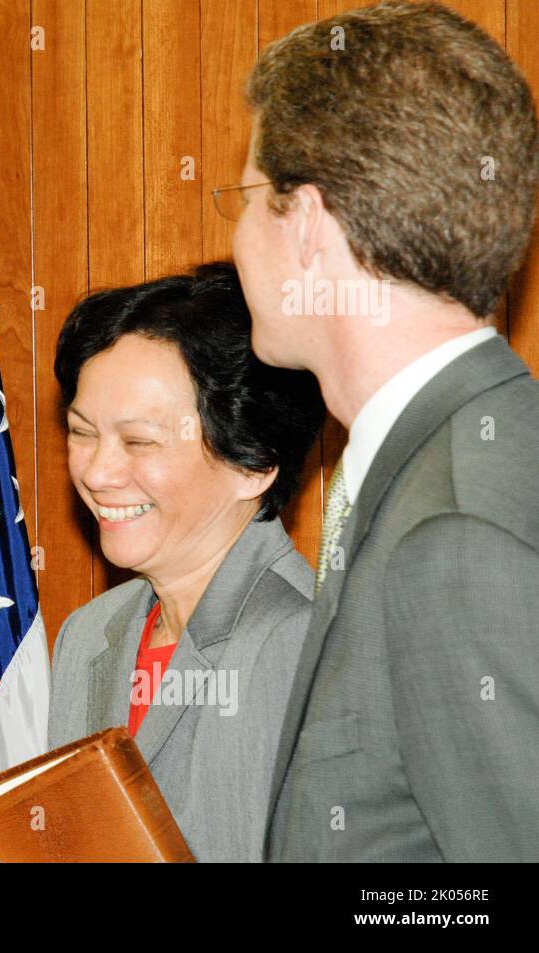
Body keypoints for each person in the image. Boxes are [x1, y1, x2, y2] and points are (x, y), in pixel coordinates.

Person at [232, 1, 539, 861]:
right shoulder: (466, 458)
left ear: (310, 229)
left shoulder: (456, 534)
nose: (236, 235)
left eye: (250, 198)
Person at [0, 262, 325, 862]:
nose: (98, 473)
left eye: (139, 442)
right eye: (83, 433)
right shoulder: (90, 634)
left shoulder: (306, 647)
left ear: (253, 464)